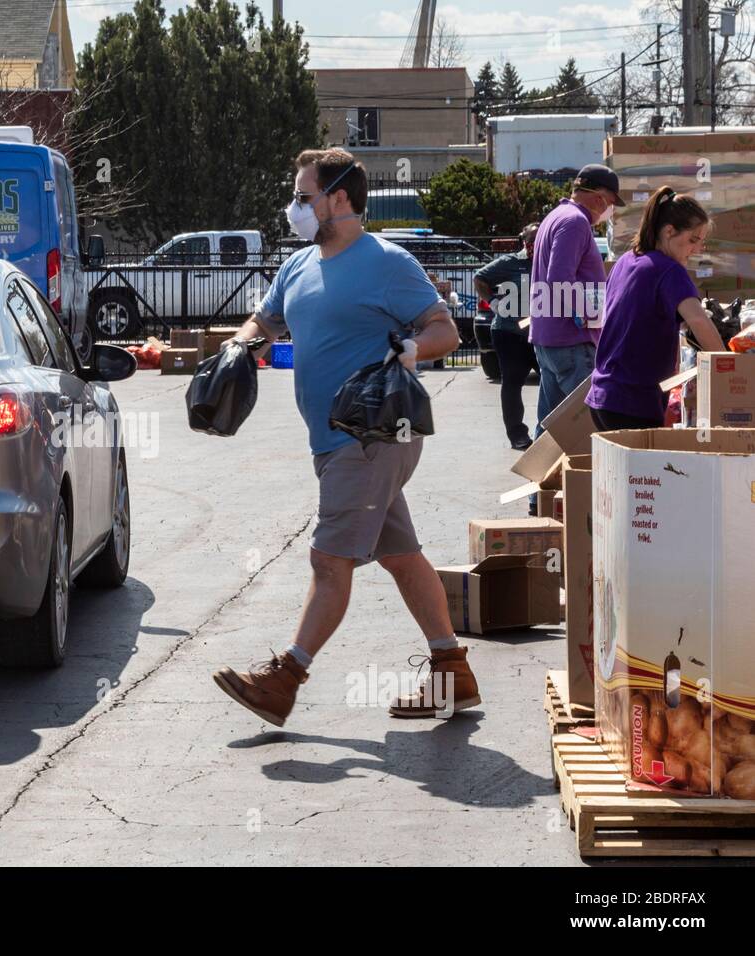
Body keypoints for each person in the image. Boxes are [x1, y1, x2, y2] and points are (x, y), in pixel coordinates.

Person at [210, 148, 480, 727]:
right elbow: (266, 317)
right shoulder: (299, 265)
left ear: (339, 198)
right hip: (333, 442)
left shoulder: (385, 262)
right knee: (402, 556)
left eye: (304, 197)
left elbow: (445, 329)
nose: (295, 208)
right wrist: (240, 344)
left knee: (328, 561)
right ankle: (452, 670)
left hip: (372, 433)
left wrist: (412, 348)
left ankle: (286, 678)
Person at [587, 187, 725, 430]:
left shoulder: (626, 261)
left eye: (701, 242)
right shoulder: (669, 270)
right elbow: (700, 321)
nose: (696, 249)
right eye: (693, 240)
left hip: (603, 397)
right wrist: (732, 372)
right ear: (669, 231)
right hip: (633, 403)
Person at [529, 164, 623, 430]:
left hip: (551, 337)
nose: (611, 211)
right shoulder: (575, 222)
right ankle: (586, 473)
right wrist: (590, 316)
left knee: (553, 427)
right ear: (599, 198)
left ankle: (543, 472)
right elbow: (559, 279)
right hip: (571, 340)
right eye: (612, 203)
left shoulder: (557, 216)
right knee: (586, 426)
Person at [474, 224, 541, 449]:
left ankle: (549, 434)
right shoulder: (510, 263)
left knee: (551, 383)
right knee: (512, 382)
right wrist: (493, 303)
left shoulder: (551, 260)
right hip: (509, 333)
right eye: (531, 240)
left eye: (539, 239)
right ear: (523, 241)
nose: (534, 245)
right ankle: (517, 435)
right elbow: (479, 278)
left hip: (541, 334)